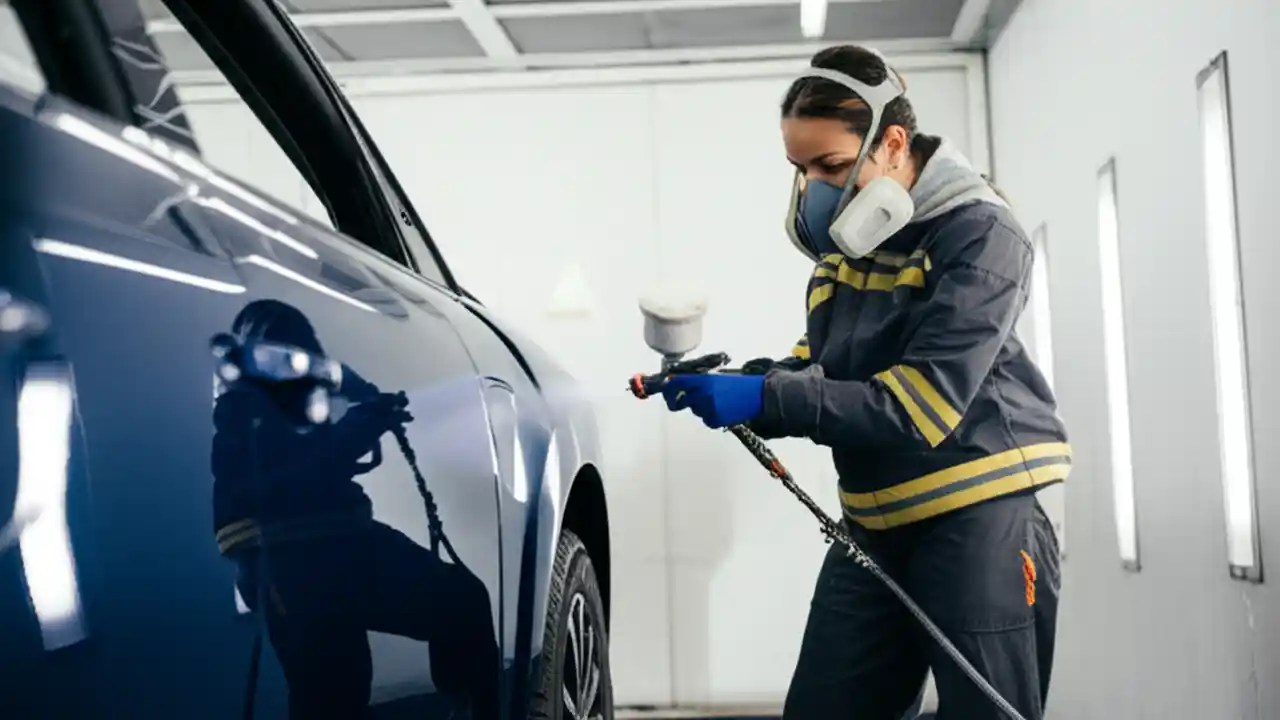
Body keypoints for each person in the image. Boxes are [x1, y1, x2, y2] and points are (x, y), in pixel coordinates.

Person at [661, 46, 1067, 720]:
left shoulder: (981, 236)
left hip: (979, 519)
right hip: (876, 524)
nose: (813, 192)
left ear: (893, 144)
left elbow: (920, 406)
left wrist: (767, 398)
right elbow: (819, 370)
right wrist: (745, 385)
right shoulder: (846, 254)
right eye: (800, 171)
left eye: (831, 167)